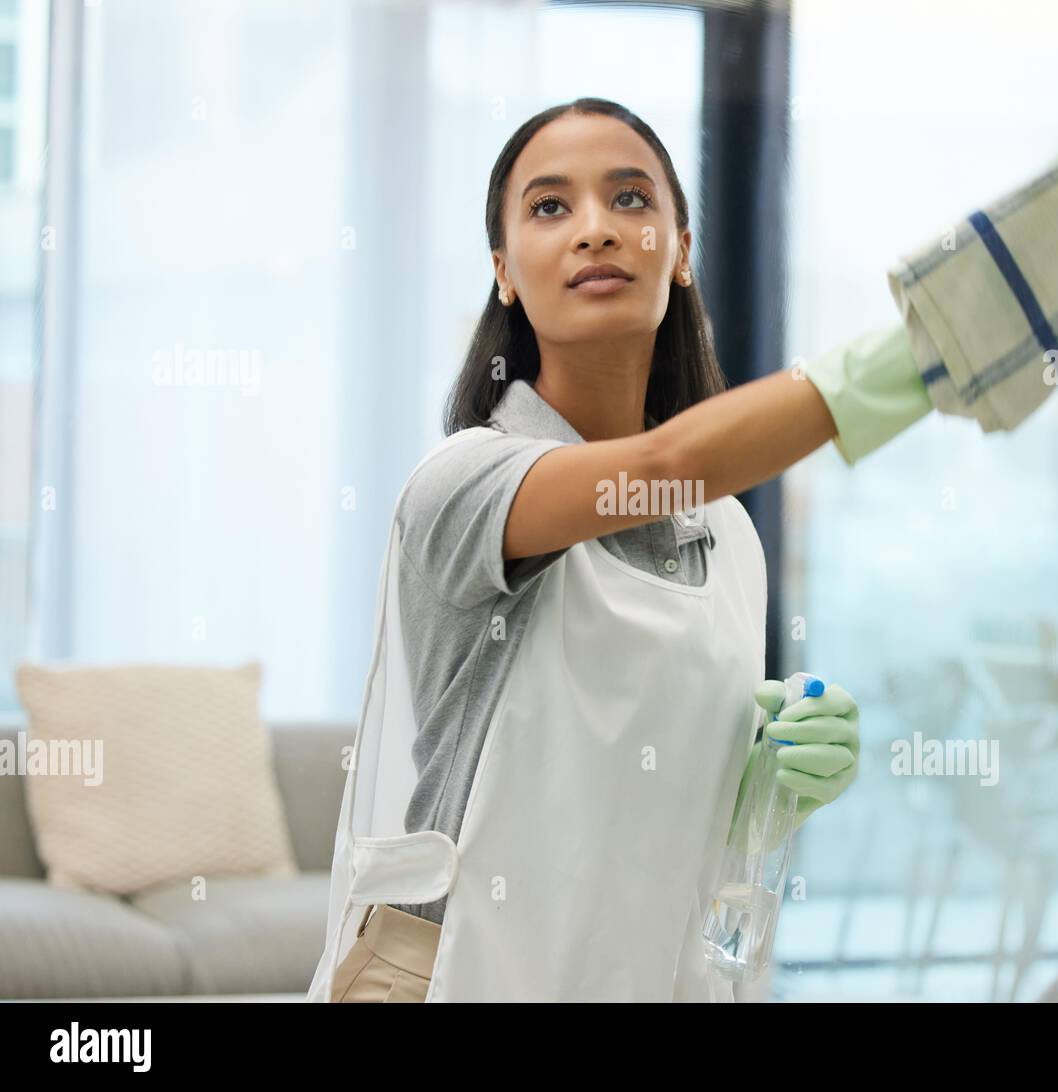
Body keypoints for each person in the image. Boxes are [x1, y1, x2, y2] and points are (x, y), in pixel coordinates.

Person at [324, 96, 933, 1003]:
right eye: (549, 207)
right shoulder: (466, 484)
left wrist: (766, 787)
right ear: (504, 271)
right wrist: (918, 357)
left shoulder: (726, 533)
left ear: (680, 251)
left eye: (631, 200)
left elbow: (672, 831)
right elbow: (663, 465)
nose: (595, 230)